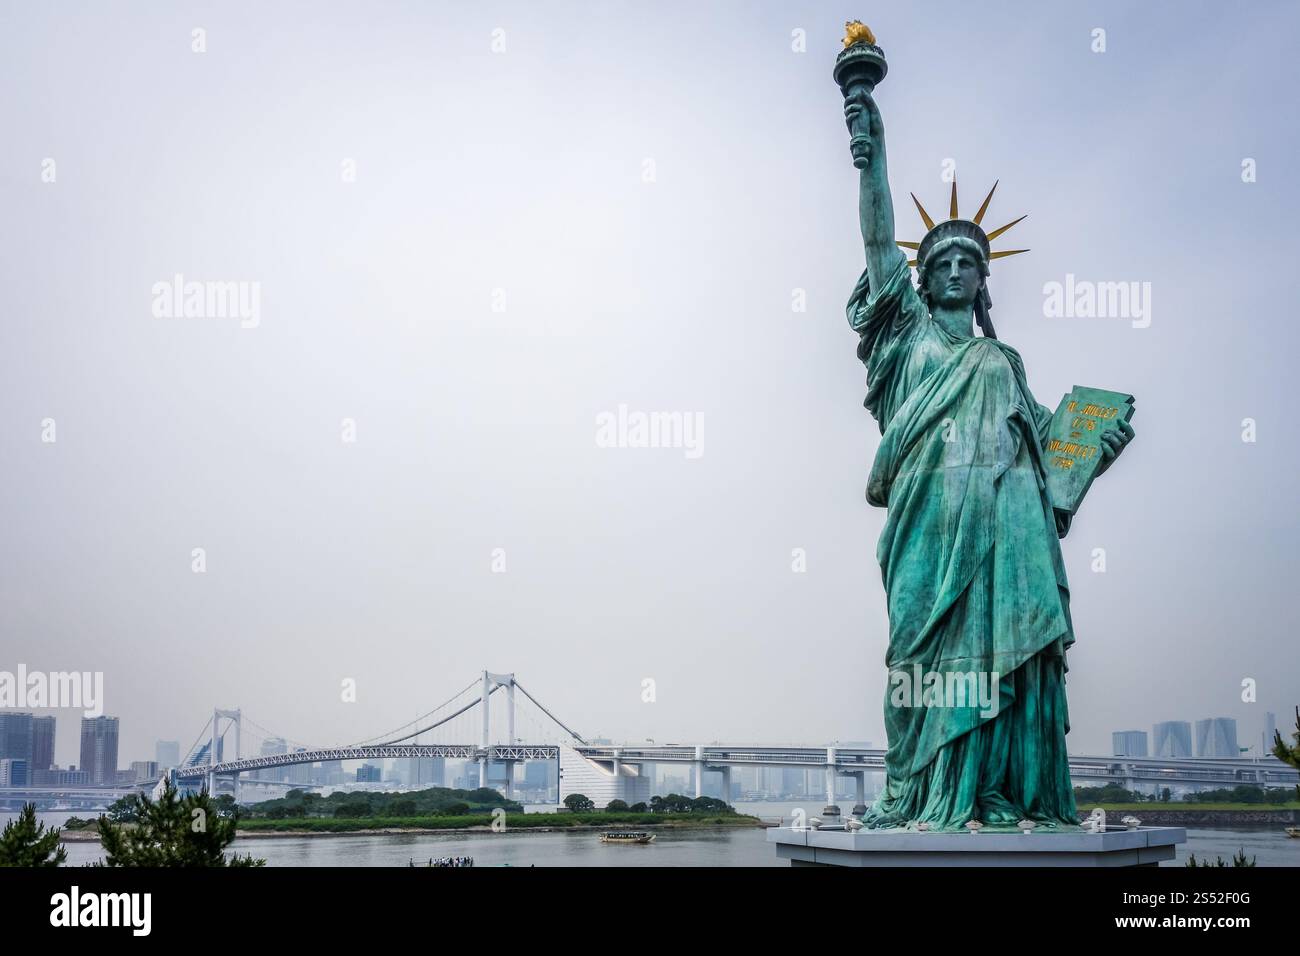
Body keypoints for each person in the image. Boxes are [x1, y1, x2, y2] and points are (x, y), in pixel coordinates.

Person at [841, 84, 1132, 830]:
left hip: (1003, 541)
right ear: (923, 274)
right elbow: (878, 243)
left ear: (982, 277)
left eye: (970, 260)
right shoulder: (904, 337)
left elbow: (1046, 460)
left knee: (1004, 654)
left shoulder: (1002, 359)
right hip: (925, 524)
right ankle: (918, 791)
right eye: (942, 259)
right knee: (914, 654)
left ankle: (990, 790)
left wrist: (1095, 446)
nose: (956, 269)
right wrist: (868, 145)